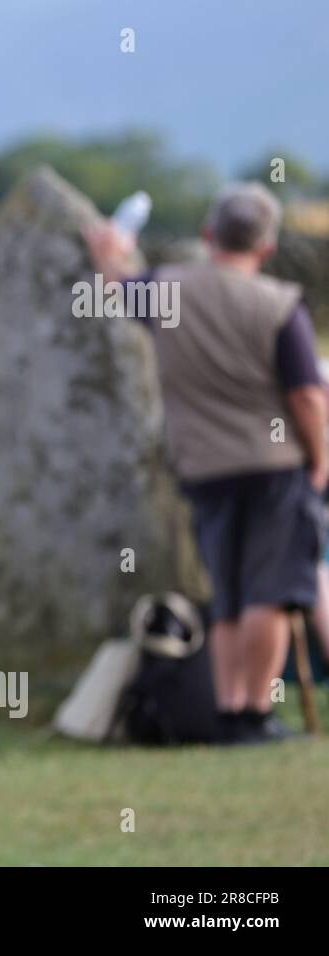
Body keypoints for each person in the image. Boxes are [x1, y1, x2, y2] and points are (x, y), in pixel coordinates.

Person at [85, 182, 328, 744]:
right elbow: (308, 398)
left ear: (207, 235)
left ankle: (225, 707)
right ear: (266, 246)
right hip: (274, 465)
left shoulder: (166, 291)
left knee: (229, 591)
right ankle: (251, 712)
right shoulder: (279, 306)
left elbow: (117, 287)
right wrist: (319, 459)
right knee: (270, 592)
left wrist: (106, 249)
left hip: (202, 468)